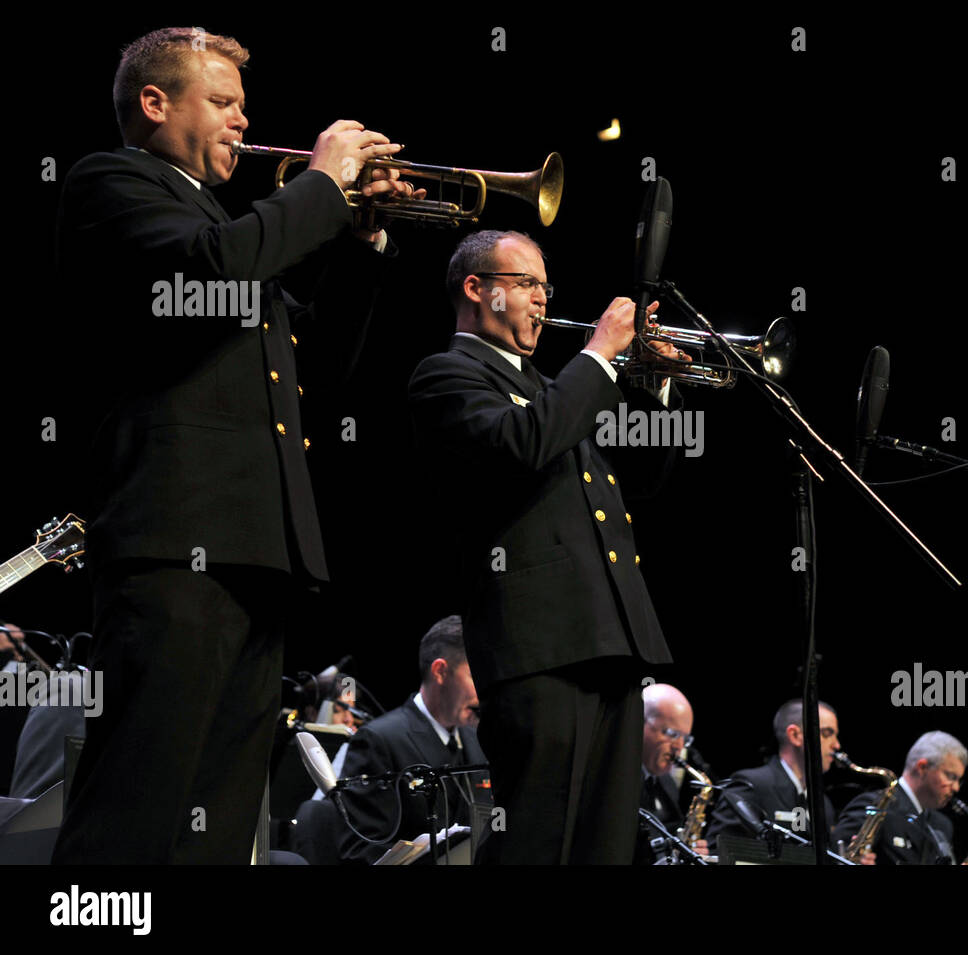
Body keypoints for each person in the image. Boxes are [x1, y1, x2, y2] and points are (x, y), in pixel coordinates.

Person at [51, 27, 417, 864]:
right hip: (175, 544)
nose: (243, 125)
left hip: (259, 549)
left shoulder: (225, 224)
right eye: (223, 103)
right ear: (154, 103)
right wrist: (322, 181)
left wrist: (360, 239)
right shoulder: (113, 183)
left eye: (243, 108)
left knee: (217, 816)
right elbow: (207, 276)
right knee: (136, 802)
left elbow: (315, 364)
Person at [408, 229, 684, 863]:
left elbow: (639, 480)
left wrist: (653, 387)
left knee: (603, 848)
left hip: (609, 644)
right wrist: (598, 356)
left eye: (544, 286)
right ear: (475, 289)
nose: (540, 300)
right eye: (525, 283)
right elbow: (521, 446)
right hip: (539, 649)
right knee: (537, 842)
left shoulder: (554, 390)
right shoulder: (447, 375)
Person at [335, 616, 490, 865]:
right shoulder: (379, 740)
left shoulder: (478, 739)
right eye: (475, 675)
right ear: (440, 671)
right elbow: (360, 848)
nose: (484, 689)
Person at [705, 699, 848, 856]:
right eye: (827, 733)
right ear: (795, 735)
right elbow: (718, 853)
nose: (836, 745)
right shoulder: (750, 785)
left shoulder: (822, 803)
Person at [831, 730, 966, 865]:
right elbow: (836, 858)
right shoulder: (876, 805)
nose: (956, 788)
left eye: (958, 780)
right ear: (922, 767)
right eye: (951, 776)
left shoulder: (941, 825)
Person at [636, 683, 707, 863]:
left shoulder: (666, 782)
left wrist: (687, 848)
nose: (679, 747)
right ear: (638, 722)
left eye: (685, 738)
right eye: (671, 733)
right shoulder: (617, 780)